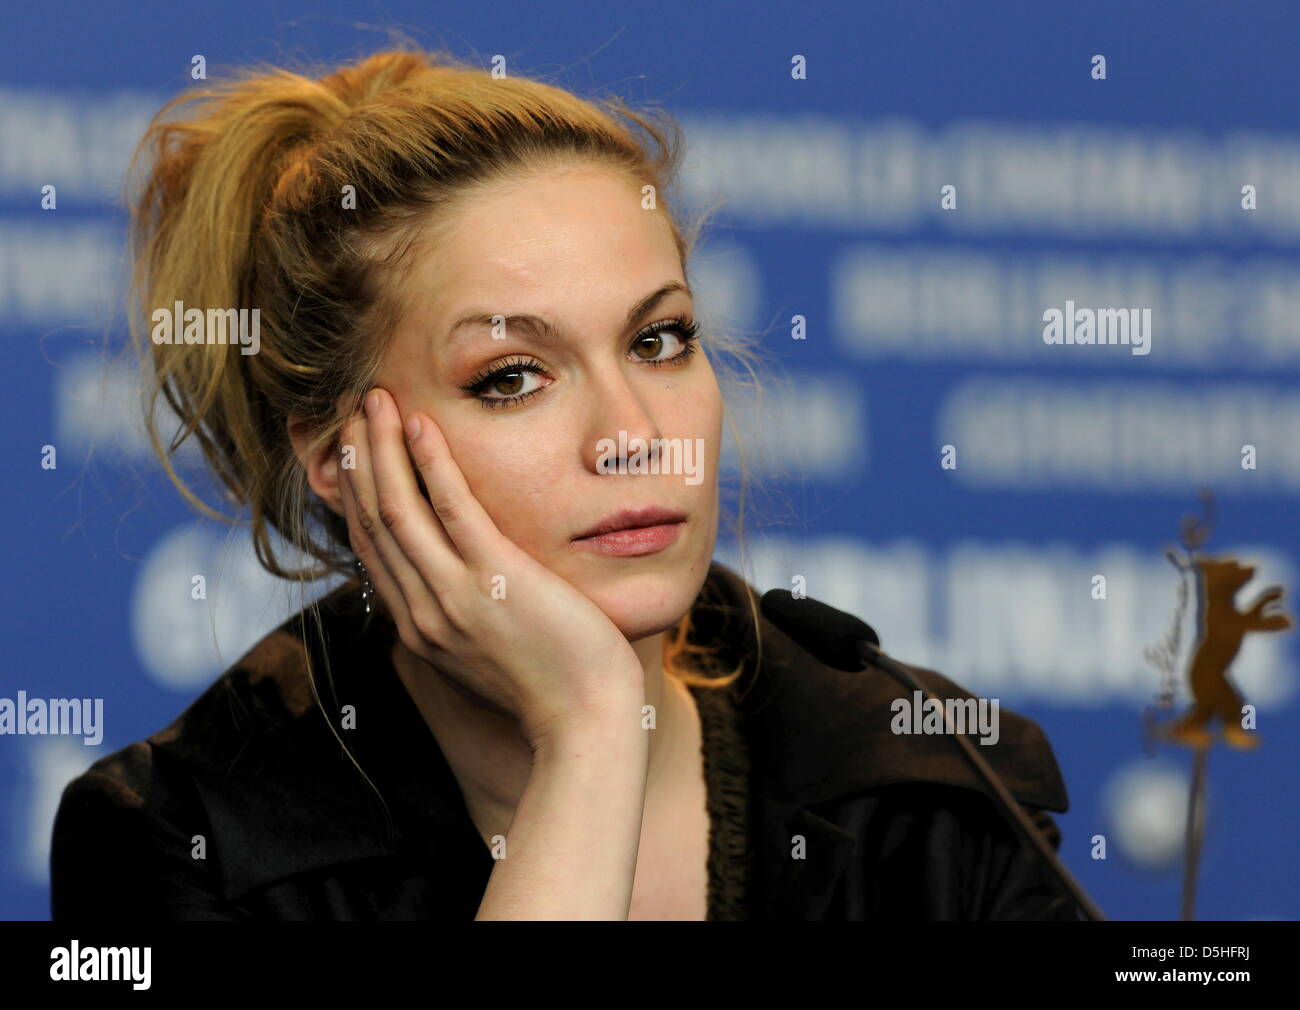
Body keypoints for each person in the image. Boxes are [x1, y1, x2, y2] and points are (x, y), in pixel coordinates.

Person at [49, 46, 1084, 921]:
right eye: (512, 377)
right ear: (340, 458)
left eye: (659, 338)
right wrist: (587, 735)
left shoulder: (924, 794)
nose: (634, 436)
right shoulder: (188, 844)